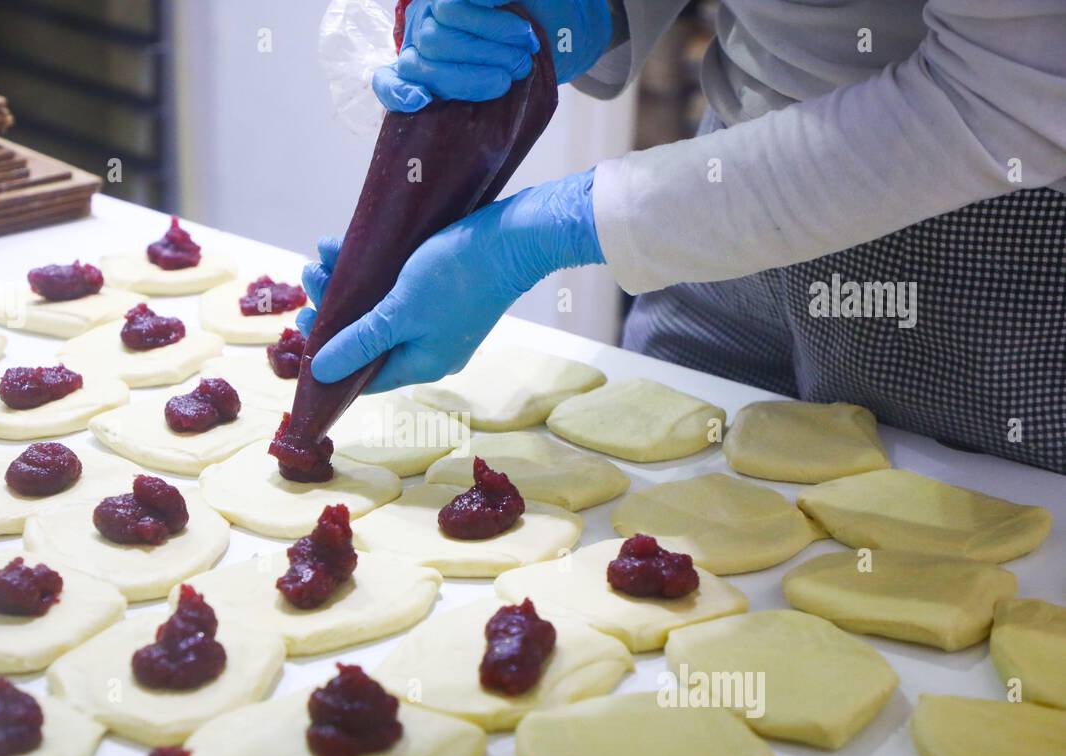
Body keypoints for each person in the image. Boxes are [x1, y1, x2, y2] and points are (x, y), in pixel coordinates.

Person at [297, 0, 1066, 474]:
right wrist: (573, 10)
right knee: (661, 510)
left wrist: (551, 230)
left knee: (931, 557)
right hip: (725, 182)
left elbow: (1008, 96)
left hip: (972, 233)